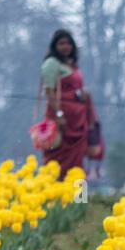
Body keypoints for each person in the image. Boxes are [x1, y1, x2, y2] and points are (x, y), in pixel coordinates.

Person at [39, 29, 96, 178]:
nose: (65, 47)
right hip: (60, 123)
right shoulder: (51, 64)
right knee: (55, 162)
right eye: (61, 43)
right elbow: (49, 92)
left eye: (69, 43)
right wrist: (59, 114)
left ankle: (80, 200)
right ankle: (54, 197)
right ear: (54, 46)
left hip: (77, 121)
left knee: (78, 164)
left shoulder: (72, 65)